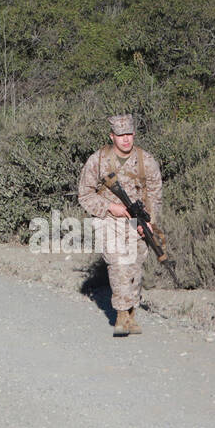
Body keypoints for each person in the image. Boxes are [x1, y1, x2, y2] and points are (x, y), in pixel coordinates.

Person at [77, 113, 163, 336]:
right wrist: (109, 207)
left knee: (134, 266)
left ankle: (131, 313)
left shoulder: (147, 161)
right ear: (112, 136)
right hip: (109, 220)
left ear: (134, 134)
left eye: (129, 134)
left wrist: (150, 222)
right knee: (118, 264)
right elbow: (84, 195)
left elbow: (155, 195)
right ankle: (121, 314)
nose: (125, 139)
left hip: (137, 222)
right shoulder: (98, 160)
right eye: (120, 135)